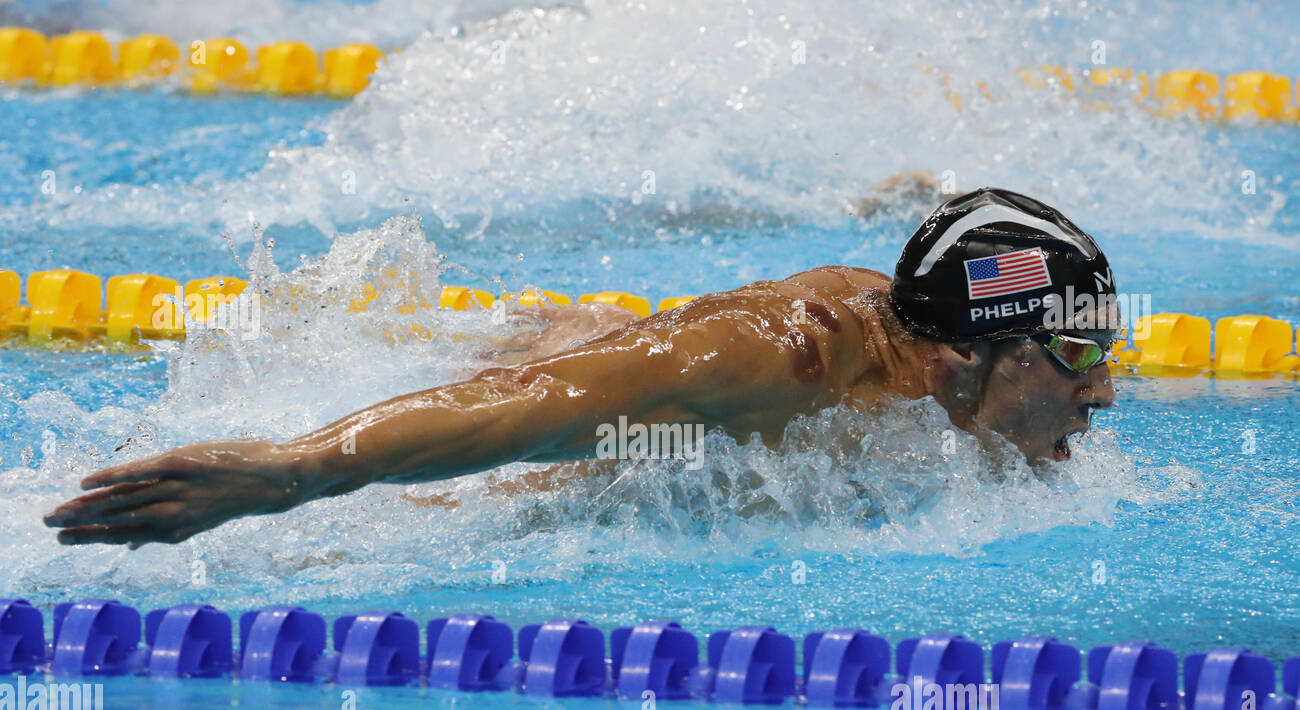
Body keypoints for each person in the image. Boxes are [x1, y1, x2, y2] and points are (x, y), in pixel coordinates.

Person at [46, 187, 1119, 548]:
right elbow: (517, 411)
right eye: (1077, 355)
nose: (1104, 390)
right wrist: (292, 471)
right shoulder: (774, 360)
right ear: (970, 354)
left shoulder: (930, 357)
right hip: (581, 419)